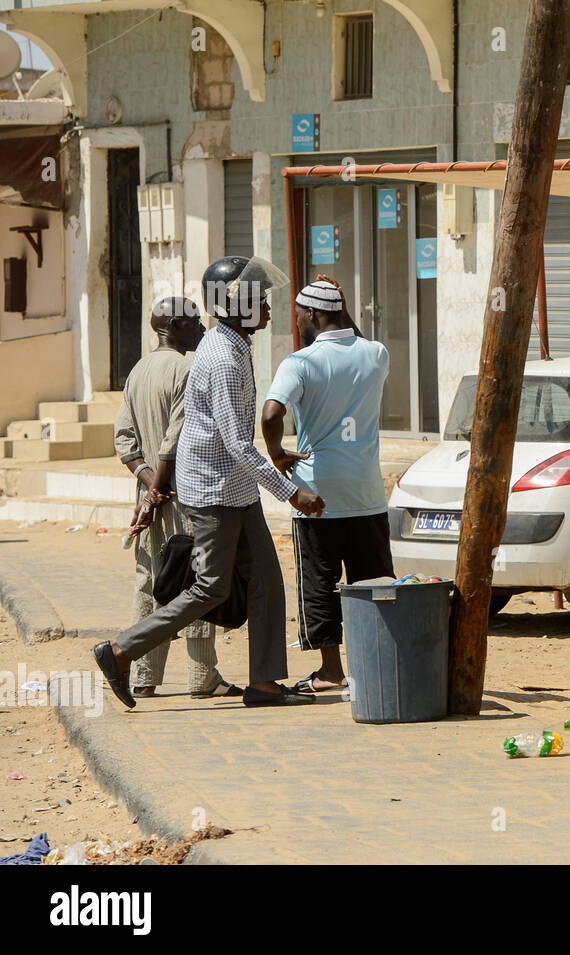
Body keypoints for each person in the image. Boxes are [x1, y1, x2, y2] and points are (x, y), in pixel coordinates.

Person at [92, 256, 326, 710]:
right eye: (258, 299)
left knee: (266, 582)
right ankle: (120, 652)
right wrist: (291, 492)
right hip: (216, 492)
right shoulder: (222, 358)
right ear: (233, 304)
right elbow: (238, 443)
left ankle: (264, 684)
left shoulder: (235, 343)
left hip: (236, 489)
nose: (267, 306)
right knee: (210, 588)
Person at [262, 276, 393, 693]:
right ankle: (378, 663)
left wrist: (277, 453)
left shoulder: (300, 363)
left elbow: (269, 414)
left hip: (315, 494)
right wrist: (338, 301)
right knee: (373, 581)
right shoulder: (376, 353)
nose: (297, 320)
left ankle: (332, 670)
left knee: (318, 580)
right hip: (366, 491)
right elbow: (351, 335)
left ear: (313, 315)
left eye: (301, 314)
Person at [113, 296, 239, 699]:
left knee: (150, 580)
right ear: (172, 326)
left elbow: (125, 440)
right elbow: (176, 438)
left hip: (153, 497)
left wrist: (149, 486)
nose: (203, 328)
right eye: (193, 322)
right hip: (185, 495)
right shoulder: (187, 369)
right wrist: (159, 488)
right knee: (193, 578)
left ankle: (143, 676)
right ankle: (202, 676)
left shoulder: (138, 370)